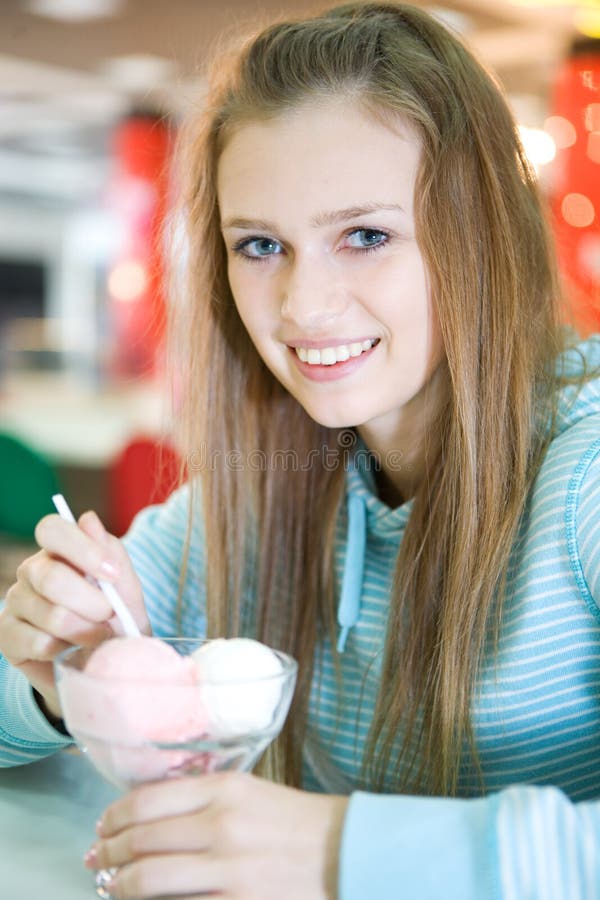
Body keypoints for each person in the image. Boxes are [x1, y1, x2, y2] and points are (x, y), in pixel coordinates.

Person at [1, 2, 599, 897]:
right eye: (260, 246)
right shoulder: (262, 489)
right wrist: (61, 677)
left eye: (366, 236)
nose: (302, 306)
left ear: (482, 233)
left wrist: (335, 851)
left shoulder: (585, 474)